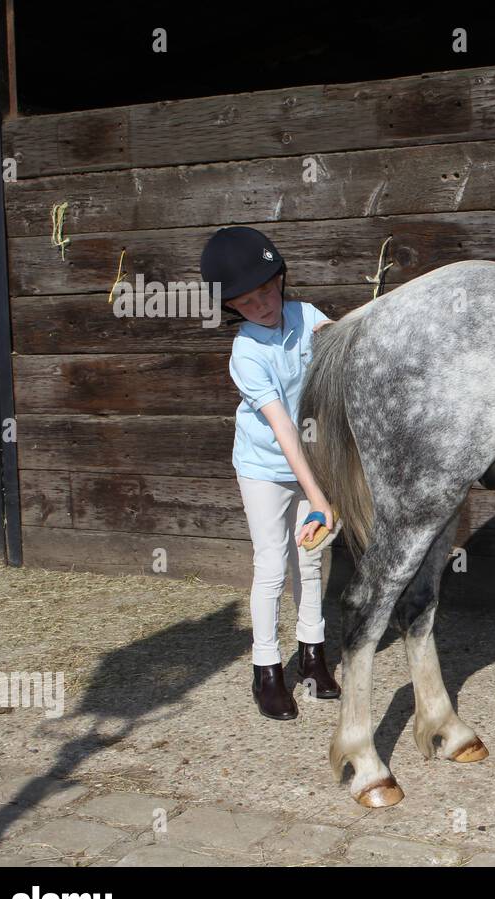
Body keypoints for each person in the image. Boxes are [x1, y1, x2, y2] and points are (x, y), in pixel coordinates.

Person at [200, 226, 341, 720]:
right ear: (230, 307)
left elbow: (343, 352)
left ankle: (313, 655)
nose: (262, 305)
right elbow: (283, 429)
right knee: (272, 566)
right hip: (265, 467)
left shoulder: (306, 315)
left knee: (311, 563)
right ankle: (267, 670)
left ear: (281, 278)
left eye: (267, 290)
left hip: (312, 465)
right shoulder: (246, 354)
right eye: (246, 300)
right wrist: (321, 498)